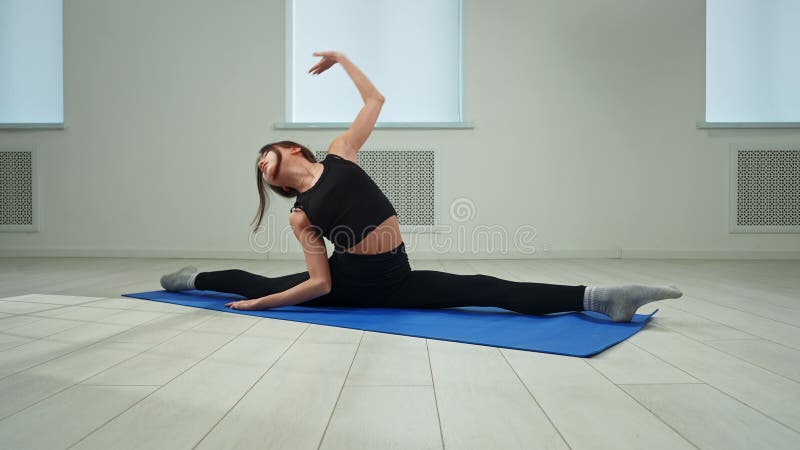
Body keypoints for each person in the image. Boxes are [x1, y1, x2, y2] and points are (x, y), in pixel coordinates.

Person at [160, 51, 683, 322]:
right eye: (259, 171)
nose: (261, 165)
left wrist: (342, 59)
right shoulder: (300, 214)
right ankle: (193, 278)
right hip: (351, 285)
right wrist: (261, 307)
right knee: (257, 283)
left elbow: (375, 102)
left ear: (292, 148)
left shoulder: (341, 152)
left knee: (485, 288)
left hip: (397, 275)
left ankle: (600, 298)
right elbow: (320, 285)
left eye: (265, 155)